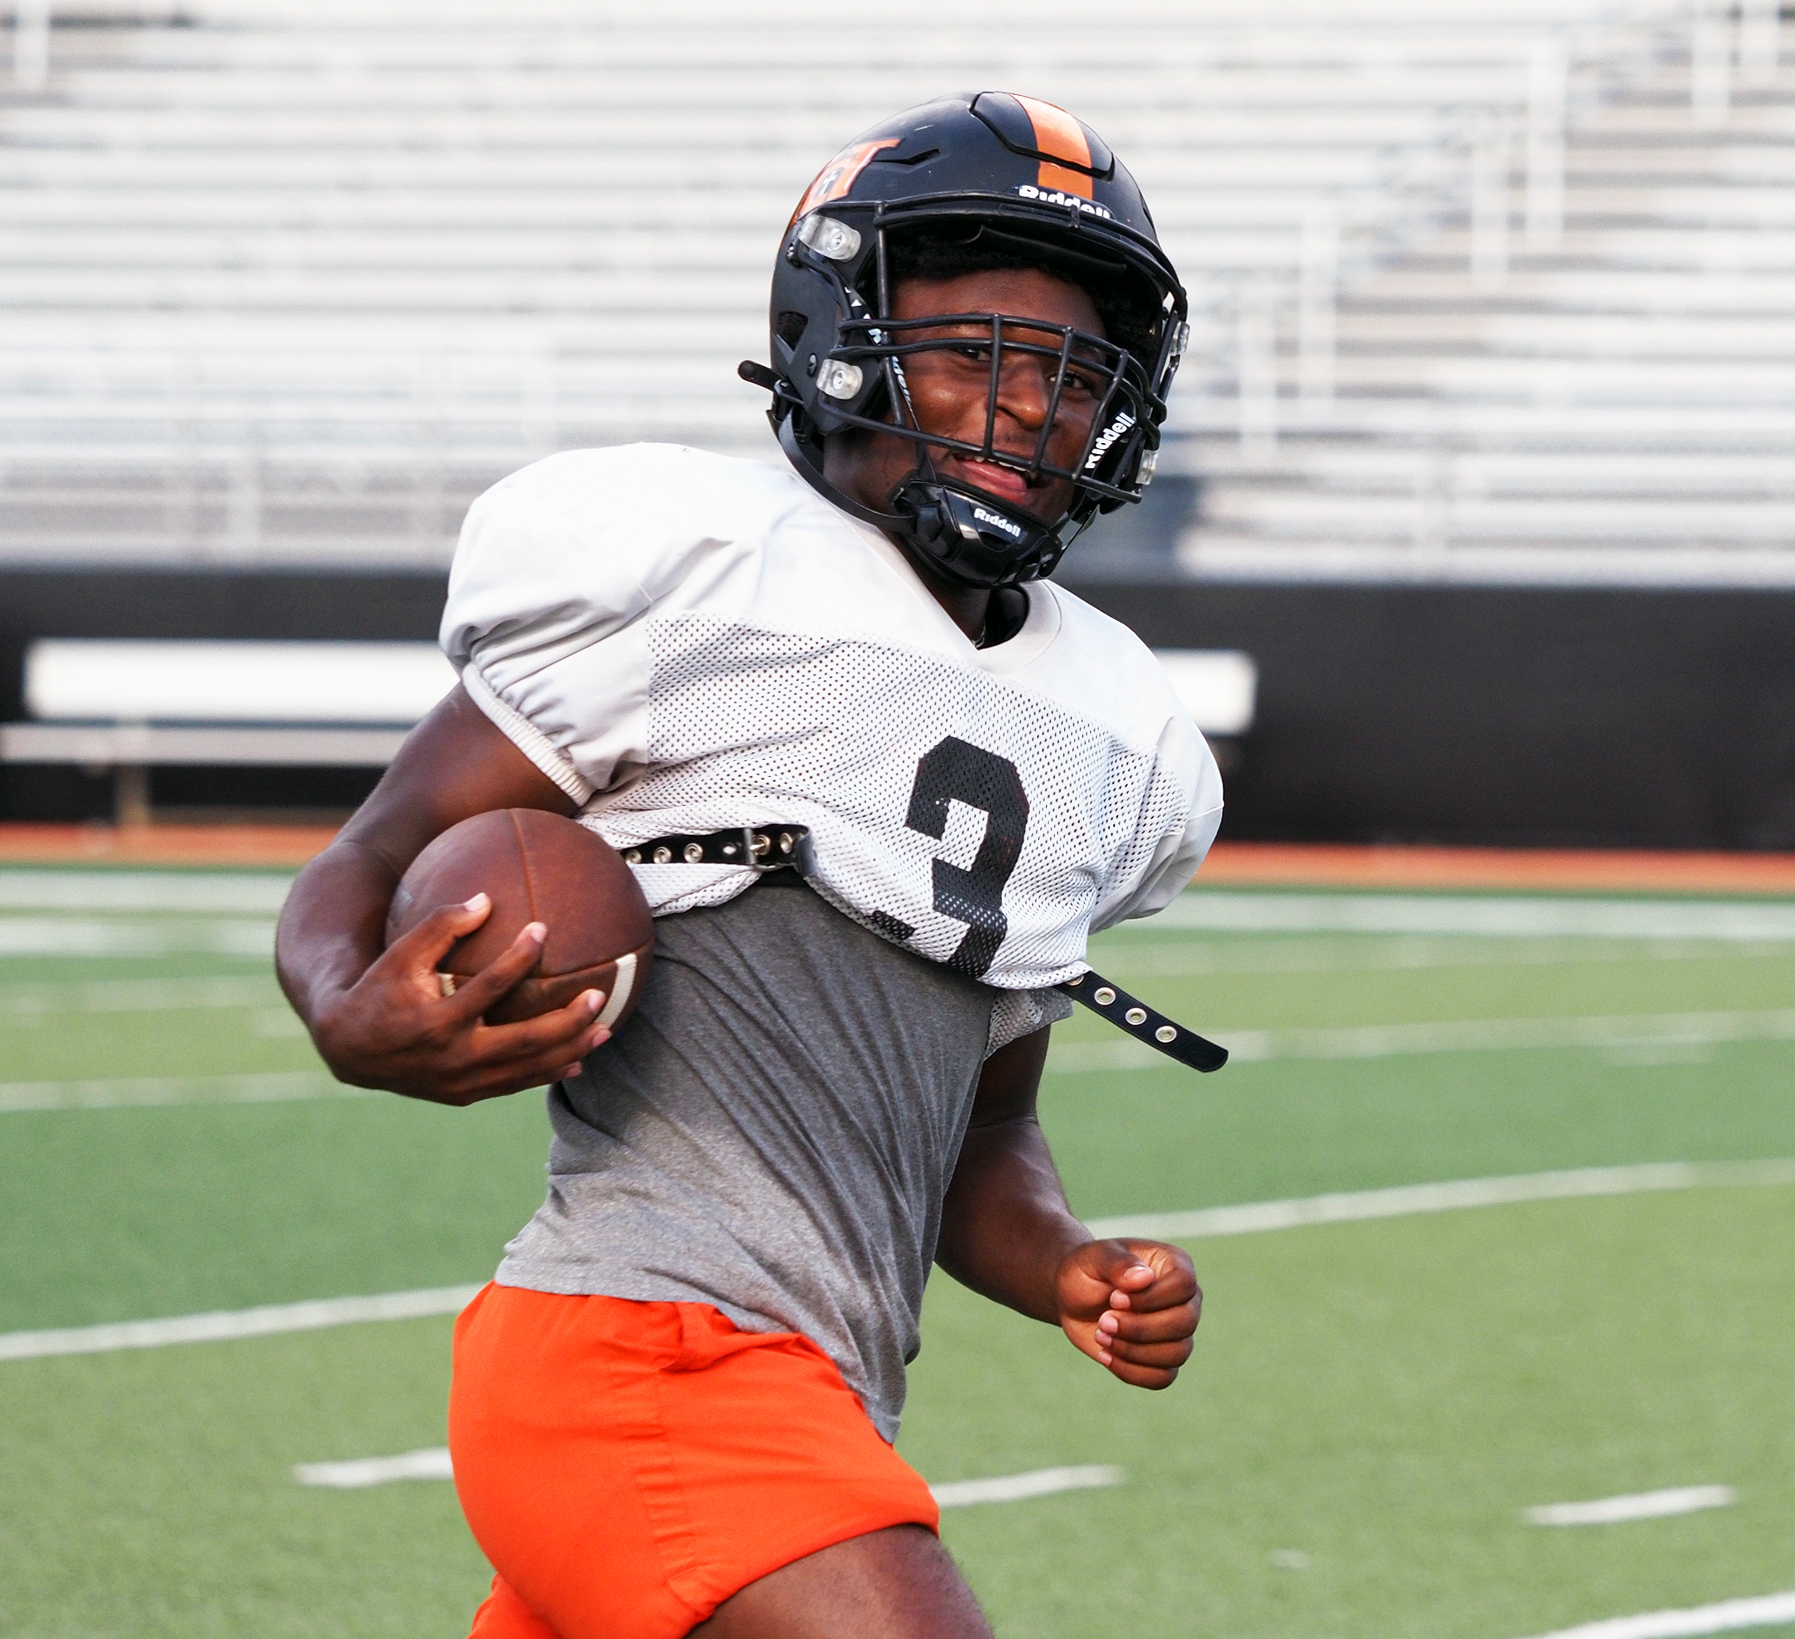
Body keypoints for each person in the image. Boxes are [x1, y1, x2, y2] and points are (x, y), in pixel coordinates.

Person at [275, 91, 1221, 1639]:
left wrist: (1063, 1259)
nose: (1025, 406)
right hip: (642, 1349)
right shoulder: (701, 576)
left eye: (1069, 374)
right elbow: (372, 855)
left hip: (815, 1381)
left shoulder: (1113, 729)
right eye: (973, 352)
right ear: (839, 337)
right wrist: (339, 1001)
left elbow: (984, 1131)